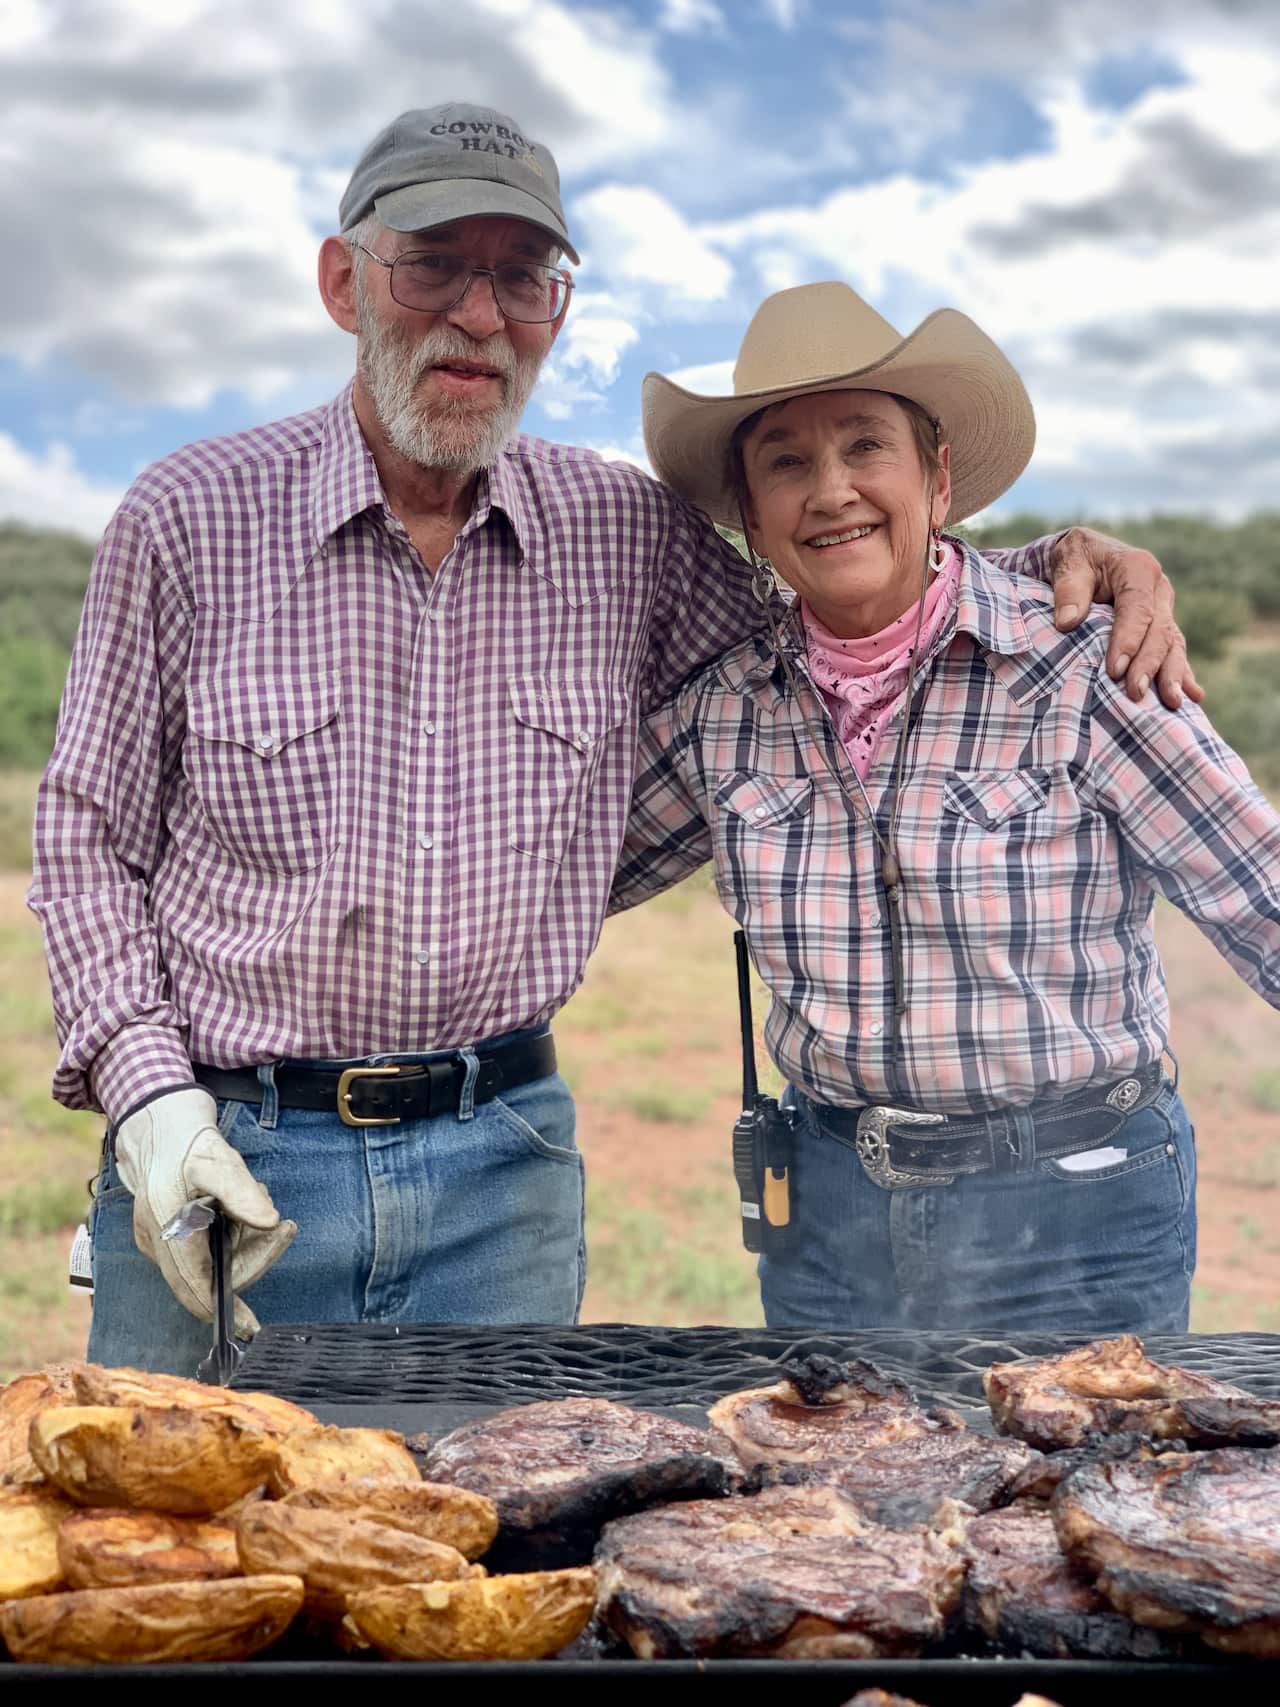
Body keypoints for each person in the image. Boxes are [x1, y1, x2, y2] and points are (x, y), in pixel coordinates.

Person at [29, 103, 1193, 1374]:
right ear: (343, 280)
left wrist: (1053, 578)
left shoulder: (620, 533)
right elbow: (86, 838)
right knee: (159, 1554)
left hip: (501, 1173)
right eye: (433, 265)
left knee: (487, 1550)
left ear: (557, 313)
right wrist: (149, 1103)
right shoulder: (190, 518)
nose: (479, 315)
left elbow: (848, 605)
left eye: (522, 278)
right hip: (221, 1151)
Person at [611, 280, 1280, 1335]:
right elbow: (547, 875)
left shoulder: (1078, 663)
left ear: (935, 476)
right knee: (827, 1499)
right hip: (828, 1217)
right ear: (750, 512)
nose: (829, 491)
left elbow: (1260, 893)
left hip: (1076, 1208)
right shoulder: (723, 712)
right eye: (785, 461)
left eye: (864, 447)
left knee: (1078, 1493)